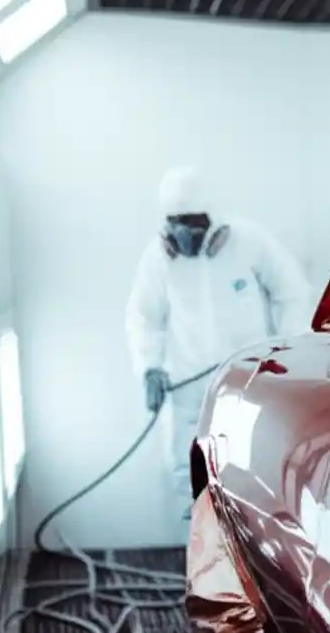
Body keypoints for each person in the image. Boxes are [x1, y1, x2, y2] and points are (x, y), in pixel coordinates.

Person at [126, 166, 310, 539]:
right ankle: (198, 553)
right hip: (186, 382)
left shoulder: (249, 241)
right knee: (184, 467)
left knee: (251, 464)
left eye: (193, 221)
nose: (185, 231)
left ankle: (254, 557)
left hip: (249, 379)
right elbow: (144, 315)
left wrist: (290, 349)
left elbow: (291, 293)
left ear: (213, 218)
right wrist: (150, 367)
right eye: (177, 221)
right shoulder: (160, 258)